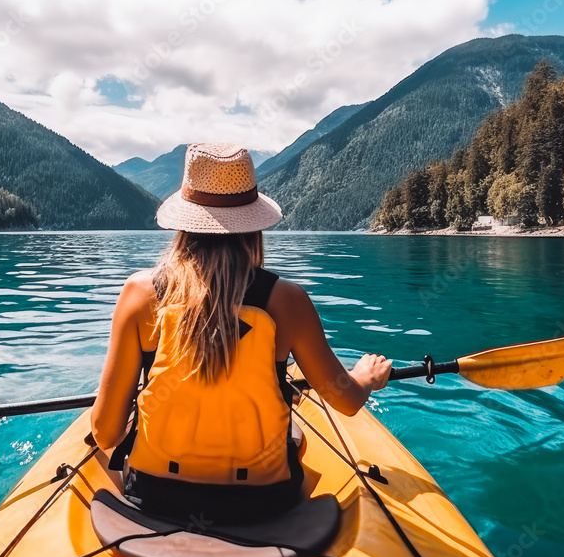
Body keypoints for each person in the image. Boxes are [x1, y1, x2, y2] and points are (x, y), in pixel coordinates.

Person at [91, 142, 392, 523]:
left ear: (185, 222)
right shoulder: (288, 301)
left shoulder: (139, 294)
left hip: (154, 496)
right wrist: (366, 379)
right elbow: (345, 401)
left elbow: (104, 434)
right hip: (263, 503)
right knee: (296, 439)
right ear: (254, 225)